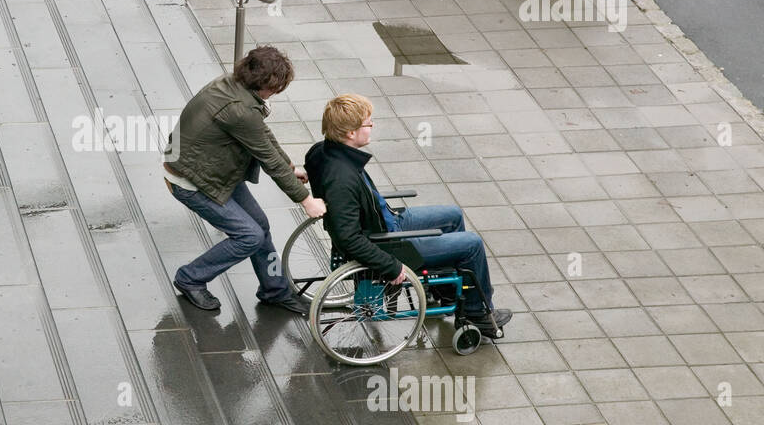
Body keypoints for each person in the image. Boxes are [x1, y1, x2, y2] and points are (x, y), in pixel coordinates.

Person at [304, 93, 512, 338]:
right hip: (386, 242)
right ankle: (478, 313)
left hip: (383, 220)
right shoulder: (342, 179)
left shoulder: (322, 150)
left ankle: (447, 291)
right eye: (368, 124)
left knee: (453, 215)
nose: (372, 128)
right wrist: (391, 266)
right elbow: (348, 238)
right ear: (350, 133)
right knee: (473, 244)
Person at [164, 46, 327, 314]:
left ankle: (275, 290)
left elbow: (262, 135)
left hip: (214, 171)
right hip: (191, 181)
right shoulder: (239, 109)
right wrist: (305, 199)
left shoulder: (235, 85)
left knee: (260, 225)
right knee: (249, 235)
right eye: (276, 89)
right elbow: (267, 158)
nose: (276, 94)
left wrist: (289, 166)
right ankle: (190, 278)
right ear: (267, 85)